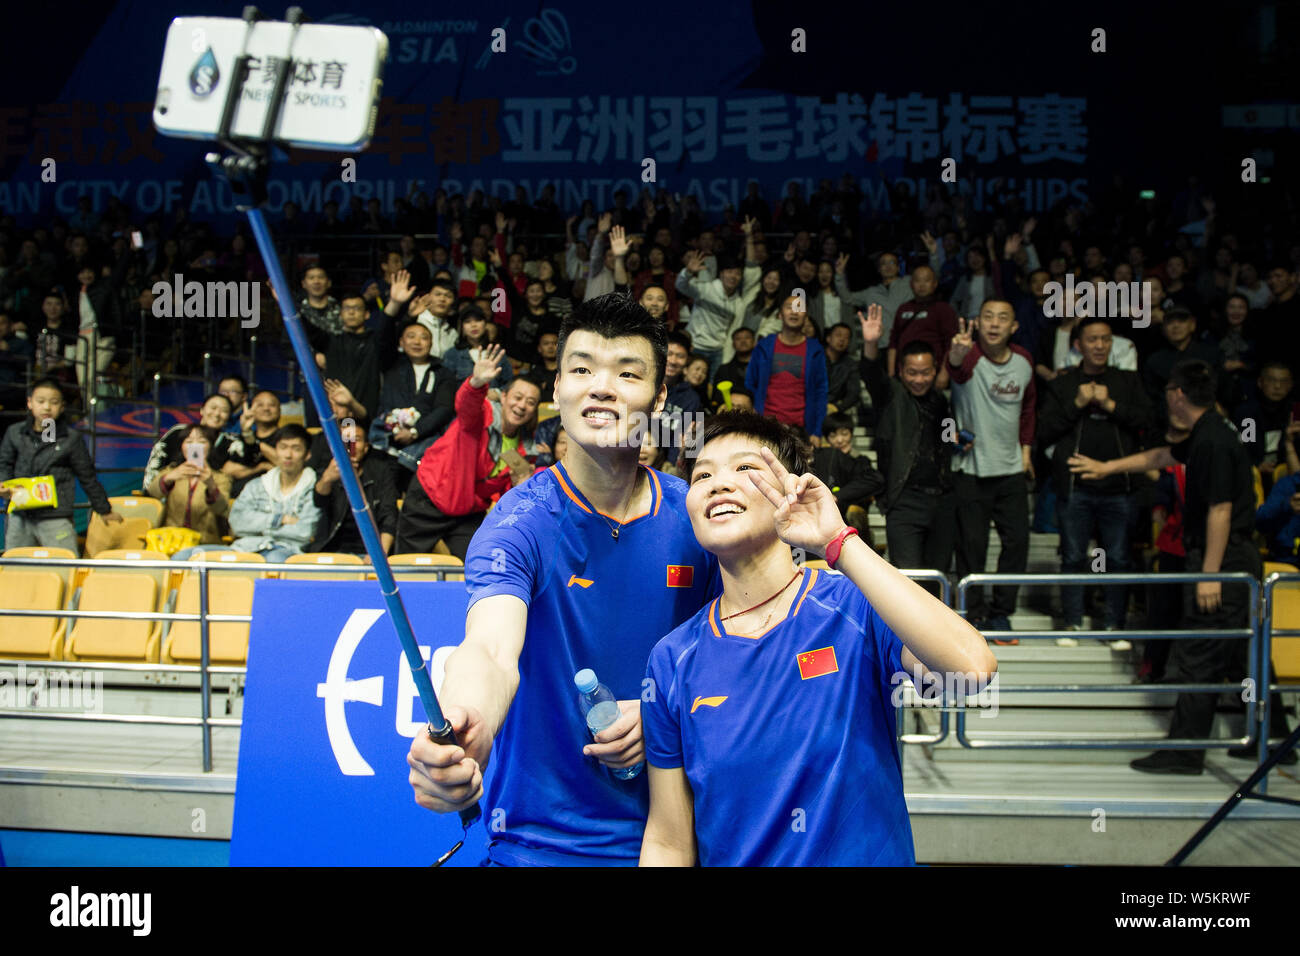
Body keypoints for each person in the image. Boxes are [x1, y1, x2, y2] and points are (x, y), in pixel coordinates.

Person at [406, 293, 721, 866]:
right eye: (581, 369)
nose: (601, 387)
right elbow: (489, 650)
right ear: (556, 390)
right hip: (542, 846)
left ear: (661, 397)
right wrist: (464, 725)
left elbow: (749, 657)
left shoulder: (699, 518)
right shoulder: (516, 524)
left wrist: (663, 714)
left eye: (627, 373)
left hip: (688, 839)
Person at [638, 413, 996, 865]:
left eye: (745, 468)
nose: (718, 484)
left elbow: (972, 670)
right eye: (703, 474)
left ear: (789, 489)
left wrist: (838, 542)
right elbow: (669, 839)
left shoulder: (854, 606)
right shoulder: (672, 660)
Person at [1069, 360, 1295, 772]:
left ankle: (1185, 751)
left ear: (1177, 394)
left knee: (1200, 654)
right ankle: (1277, 737)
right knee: (1247, 652)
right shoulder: (1211, 432)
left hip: (1222, 559)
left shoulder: (1213, 440)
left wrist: (1209, 574)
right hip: (1230, 558)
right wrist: (1107, 467)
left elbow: (1221, 510)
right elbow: (1164, 454)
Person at [1037, 316, 1153, 646]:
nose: (1100, 346)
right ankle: (1073, 623)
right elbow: (1044, 430)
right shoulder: (1063, 384)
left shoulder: (1127, 381)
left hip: (1120, 487)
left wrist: (1110, 404)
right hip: (1075, 487)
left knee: (1117, 557)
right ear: (1079, 345)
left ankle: (1113, 626)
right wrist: (1076, 405)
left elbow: (1147, 421)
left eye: (1105, 340)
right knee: (1073, 557)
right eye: (1092, 340)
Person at [395, 350, 542, 560]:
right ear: (504, 396)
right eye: (518, 397)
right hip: (430, 497)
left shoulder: (525, 449)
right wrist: (476, 383)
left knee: (478, 566)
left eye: (530, 402)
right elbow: (466, 404)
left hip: (468, 512)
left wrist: (521, 485)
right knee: (408, 567)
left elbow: (507, 496)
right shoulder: (482, 415)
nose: (522, 406)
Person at [949, 302, 1036, 637]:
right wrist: (956, 353)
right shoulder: (968, 356)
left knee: (1017, 543)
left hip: (1011, 468)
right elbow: (954, 370)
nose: (994, 324)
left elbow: (1029, 409)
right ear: (977, 323)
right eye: (988, 317)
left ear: (1014, 326)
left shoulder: (1024, 362)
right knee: (972, 547)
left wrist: (1026, 452)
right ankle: (975, 612)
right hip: (970, 469)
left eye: (1002, 318)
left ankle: (1002, 611)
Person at [860, 306, 955, 576]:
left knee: (939, 578)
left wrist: (958, 439)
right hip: (904, 500)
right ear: (901, 371)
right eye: (912, 372)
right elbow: (871, 374)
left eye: (925, 372)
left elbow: (947, 439)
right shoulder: (891, 396)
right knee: (909, 577)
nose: (919, 379)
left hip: (943, 500)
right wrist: (870, 343)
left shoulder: (941, 401)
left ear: (935, 370)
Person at [0, 377, 121, 554]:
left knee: (64, 569)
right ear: (30, 403)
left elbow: (87, 476)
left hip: (56, 517)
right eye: (40, 401)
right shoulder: (15, 433)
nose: (47, 407)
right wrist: (3, 483)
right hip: (20, 515)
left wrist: (104, 510)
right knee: (16, 570)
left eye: (54, 402)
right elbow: (4, 464)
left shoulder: (71, 439)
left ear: (62, 406)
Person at [218, 424, 320, 563]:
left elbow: (304, 532)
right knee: (189, 556)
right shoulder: (256, 486)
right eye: (283, 447)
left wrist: (258, 526)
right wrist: (279, 519)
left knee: (272, 560)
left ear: (307, 454)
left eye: (296, 449)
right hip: (246, 548)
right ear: (276, 450)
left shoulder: (315, 489)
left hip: (289, 552)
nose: (288, 455)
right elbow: (237, 522)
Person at [369, 320, 458, 478]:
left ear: (431, 344)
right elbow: (382, 339)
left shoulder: (443, 373)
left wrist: (415, 432)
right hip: (388, 436)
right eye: (411, 336)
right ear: (401, 342)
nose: (417, 342)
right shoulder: (391, 364)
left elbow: (444, 408)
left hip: (424, 439)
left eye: (424, 337)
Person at [746, 294, 829, 445]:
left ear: (806, 316)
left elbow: (820, 393)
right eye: (789, 307)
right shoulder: (764, 345)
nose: (794, 312)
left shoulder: (815, 350)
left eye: (799, 308)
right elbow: (750, 383)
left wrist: (817, 431)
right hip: (766, 426)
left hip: (801, 430)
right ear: (780, 314)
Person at [308, 420, 397, 557]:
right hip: (332, 549)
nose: (351, 445)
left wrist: (380, 555)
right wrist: (327, 478)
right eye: (346, 440)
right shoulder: (328, 468)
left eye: (356, 440)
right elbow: (319, 501)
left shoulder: (381, 471)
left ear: (366, 447)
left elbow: (389, 515)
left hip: (370, 550)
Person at [146, 424, 233, 548]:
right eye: (189, 441)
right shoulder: (170, 470)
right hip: (170, 541)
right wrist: (169, 478)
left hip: (205, 542)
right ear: (182, 446)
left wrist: (211, 485)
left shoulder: (221, 477)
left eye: (202, 441)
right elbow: (152, 493)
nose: (195, 446)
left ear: (210, 447)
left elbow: (222, 508)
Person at [142, 393, 235, 491]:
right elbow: (156, 464)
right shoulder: (179, 432)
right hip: (169, 495)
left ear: (229, 416)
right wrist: (151, 494)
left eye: (224, 410)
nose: (217, 414)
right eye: (213, 408)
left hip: (212, 499)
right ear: (202, 410)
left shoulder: (231, 443)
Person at [888, 265, 959, 389]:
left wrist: (944, 373)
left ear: (935, 284)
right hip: (905, 372)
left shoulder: (944, 309)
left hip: (930, 373)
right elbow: (893, 343)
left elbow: (951, 344)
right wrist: (891, 374)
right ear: (911, 284)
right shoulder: (903, 308)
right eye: (917, 281)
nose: (921, 285)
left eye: (926, 280)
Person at [223, 389, 282, 497]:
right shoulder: (243, 437)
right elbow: (228, 469)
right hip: (239, 498)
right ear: (252, 409)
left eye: (272, 405)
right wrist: (261, 467)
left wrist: (255, 443)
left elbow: (286, 464)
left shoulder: (288, 436)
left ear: (279, 410)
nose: (266, 409)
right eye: (260, 405)